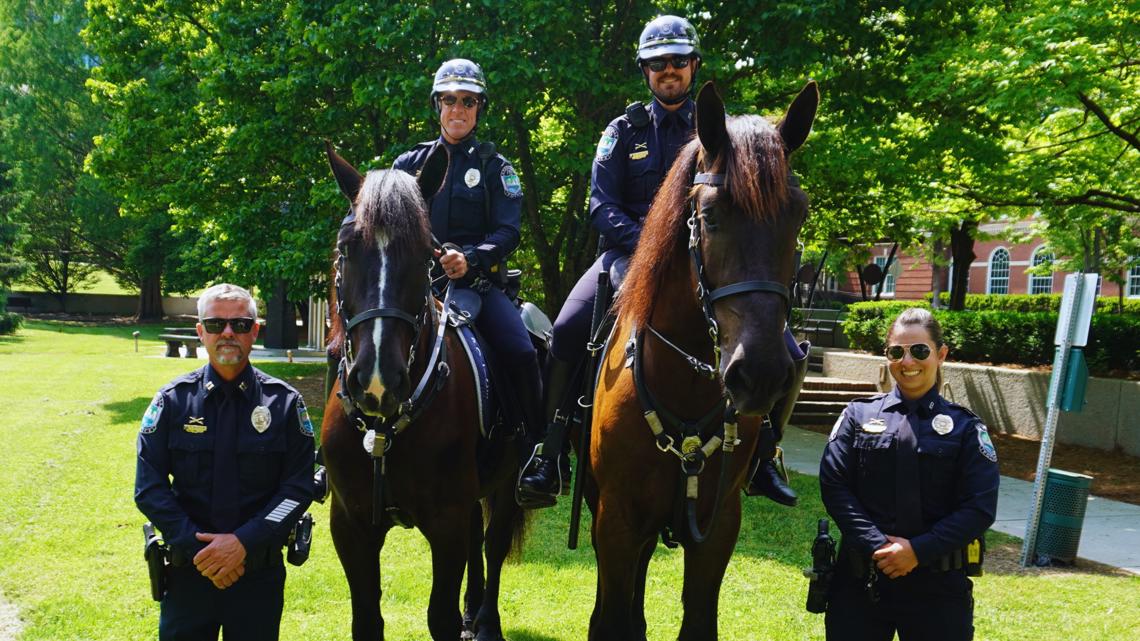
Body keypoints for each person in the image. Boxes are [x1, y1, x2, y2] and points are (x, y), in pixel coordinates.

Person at [517, 14, 804, 508]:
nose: (668, 70)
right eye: (657, 64)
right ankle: (550, 449)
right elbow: (600, 206)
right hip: (625, 259)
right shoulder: (622, 130)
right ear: (645, 72)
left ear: (694, 66)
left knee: (789, 354)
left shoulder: (727, 136)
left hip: (708, 267)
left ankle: (764, 455)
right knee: (565, 330)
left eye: (677, 61)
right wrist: (649, 243)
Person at [135, 283, 316, 640]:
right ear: (200, 331)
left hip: (257, 578)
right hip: (189, 574)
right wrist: (203, 551)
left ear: (255, 331)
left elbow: (297, 489)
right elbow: (149, 489)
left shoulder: (284, 404)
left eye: (241, 324)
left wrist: (243, 543)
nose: (228, 333)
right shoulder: (172, 402)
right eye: (216, 325)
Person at [392, 59, 544, 469]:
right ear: (437, 105)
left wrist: (472, 258)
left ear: (479, 108)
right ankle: (340, 447)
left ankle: (537, 449)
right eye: (449, 100)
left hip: (479, 288)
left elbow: (509, 232)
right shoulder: (407, 166)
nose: (457, 109)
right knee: (355, 336)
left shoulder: (497, 167)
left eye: (467, 101)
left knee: (521, 351)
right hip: (419, 288)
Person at [819, 307, 999, 640]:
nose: (908, 361)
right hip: (861, 585)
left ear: (941, 354)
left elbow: (980, 506)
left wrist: (917, 551)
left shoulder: (965, 427)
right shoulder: (857, 415)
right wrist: (881, 548)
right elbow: (834, 486)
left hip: (938, 591)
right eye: (896, 352)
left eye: (919, 351)